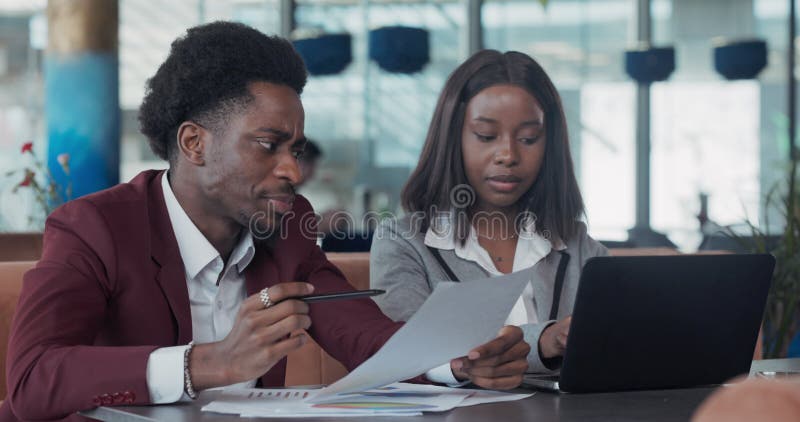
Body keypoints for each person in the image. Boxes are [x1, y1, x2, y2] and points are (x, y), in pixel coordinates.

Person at [2, 23, 529, 421]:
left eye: (296, 149)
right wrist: (205, 364)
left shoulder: (288, 227)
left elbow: (362, 335)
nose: (293, 170)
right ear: (194, 144)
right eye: (268, 145)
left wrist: (452, 366)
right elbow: (31, 379)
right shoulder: (95, 227)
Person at [370, 49, 607, 379]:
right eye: (486, 136)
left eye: (528, 138)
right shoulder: (404, 243)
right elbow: (410, 353)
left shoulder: (578, 245)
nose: (508, 155)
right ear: (453, 139)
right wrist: (545, 341)